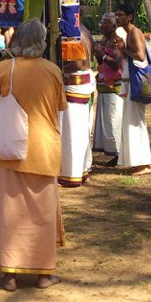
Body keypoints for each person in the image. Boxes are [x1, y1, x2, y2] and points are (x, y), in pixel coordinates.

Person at [0, 19, 66, 291]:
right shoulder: (53, 71)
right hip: (43, 147)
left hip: (11, 149)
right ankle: (43, 274)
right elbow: (59, 106)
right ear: (41, 42)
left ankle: (10, 275)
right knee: (42, 214)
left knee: (10, 212)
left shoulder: (6, 68)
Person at [114, 4, 151, 176]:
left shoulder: (135, 32)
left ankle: (145, 163)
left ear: (129, 17)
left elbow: (140, 56)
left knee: (136, 121)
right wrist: (122, 50)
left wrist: (124, 50)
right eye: (116, 15)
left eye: (121, 15)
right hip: (131, 82)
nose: (118, 18)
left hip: (137, 82)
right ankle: (138, 162)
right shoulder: (128, 33)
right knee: (131, 120)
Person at [59, 24, 95, 187]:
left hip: (75, 83)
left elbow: (78, 64)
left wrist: (57, 69)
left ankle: (71, 173)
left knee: (71, 132)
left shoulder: (71, 33)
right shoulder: (85, 30)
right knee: (81, 130)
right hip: (83, 83)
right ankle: (82, 169)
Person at [92, 13, 125, 163]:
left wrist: (102, 55)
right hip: (104, 85)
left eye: (105, 23)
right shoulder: (105, 40)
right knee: (106, 122)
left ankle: (119, 153)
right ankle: (112, 152)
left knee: (114, 121)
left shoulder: (117, 41)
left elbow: (116, 63)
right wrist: (98, 54)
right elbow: (101, 61)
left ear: (113, 26)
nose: (101, 26)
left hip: (114, 87)